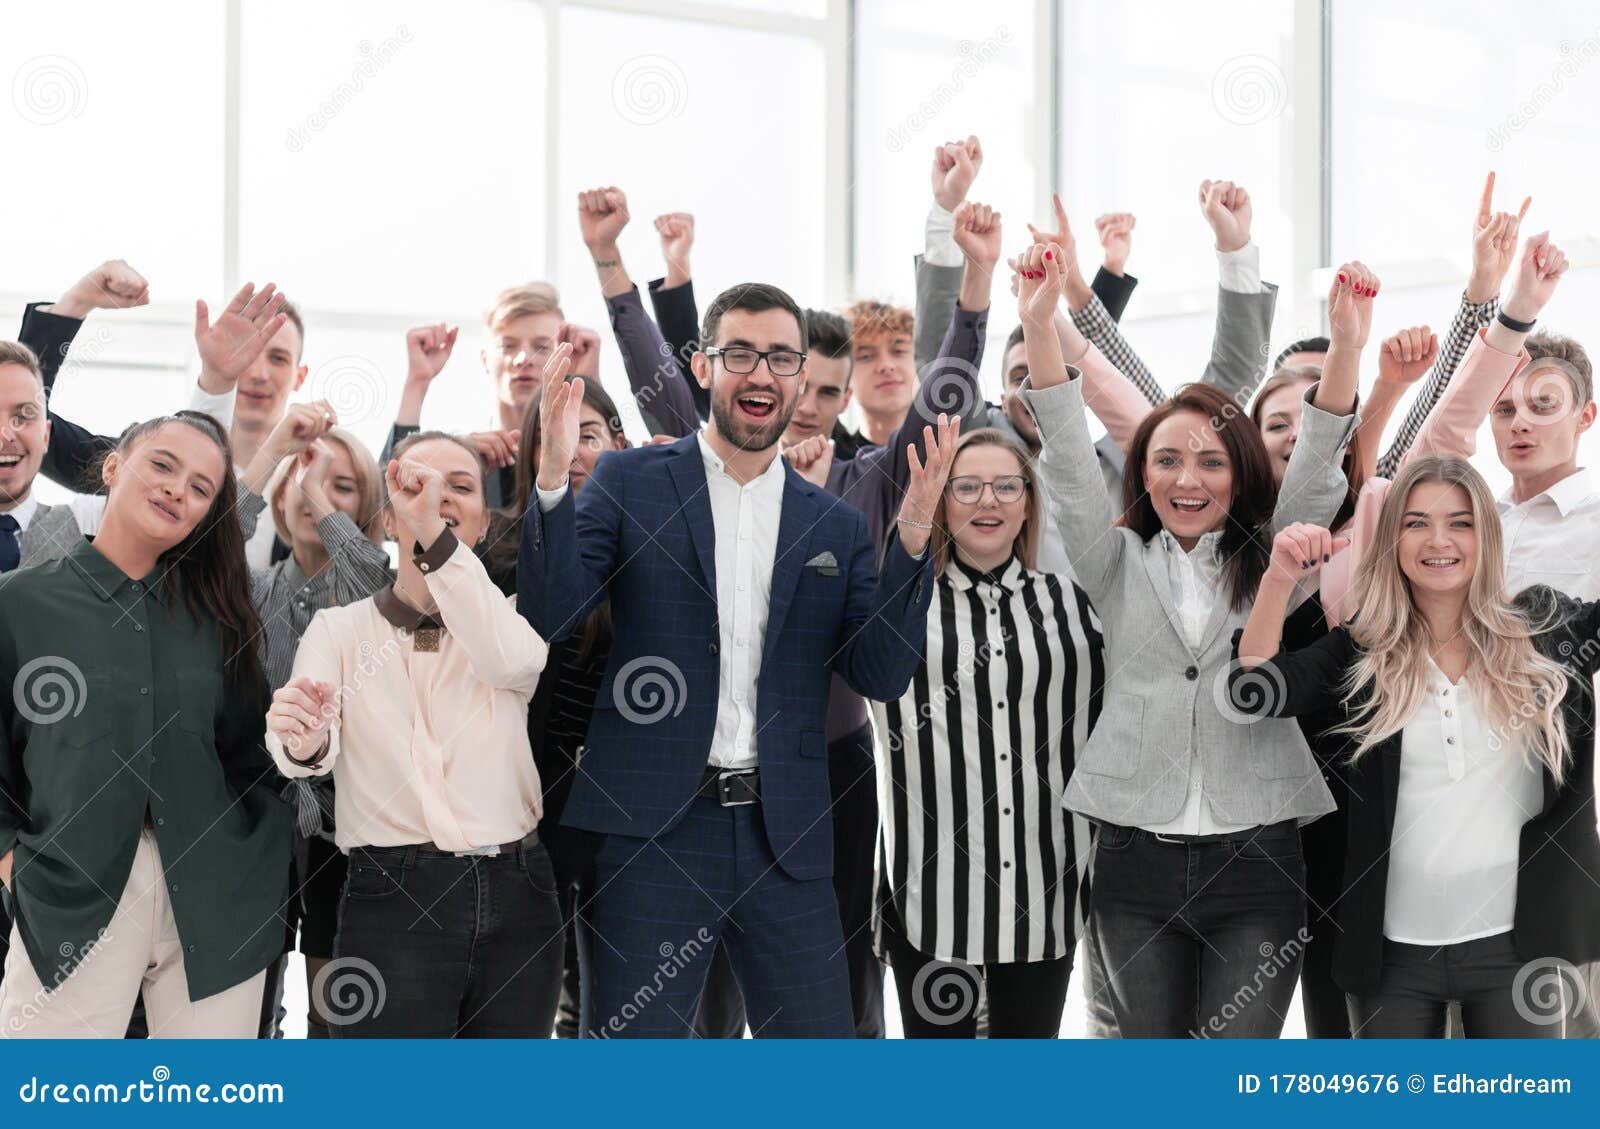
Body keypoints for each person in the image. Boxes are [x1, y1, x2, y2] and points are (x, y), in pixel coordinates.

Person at [583, 186, 994, 1038]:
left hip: (813, 785)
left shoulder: (858, 493)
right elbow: (659, 368)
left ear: (826, 391)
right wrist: (629, 272)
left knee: (828, 1015)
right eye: (750, 362)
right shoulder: (670, 473)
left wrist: (977, 282)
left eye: (807, 378)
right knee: (672, 1027)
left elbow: (940, 408)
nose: (787, 393)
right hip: (668, 797)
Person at [1017, 239, 1361, 1037]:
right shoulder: (1114, 558)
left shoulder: (1275, 555)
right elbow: (1068, 460)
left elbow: (1315, 466)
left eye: (1209, 461)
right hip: (1134, 860)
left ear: (1239, 473)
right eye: (1166, 460)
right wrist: (1040, 325)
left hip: (1260, 859)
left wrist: (1346, 347)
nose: (1186, 479)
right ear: (1143, 473)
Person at [1230, 456, 1600, 1036]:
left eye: (1460, 522)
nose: (1438, 541)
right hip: (1391, 958)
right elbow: (1255, 690)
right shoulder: (1362, 649)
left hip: (1518, 952)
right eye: (1416, 522)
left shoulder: (1544, 627)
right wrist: (1278, 576)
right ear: (1393, 539)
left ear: (1488, 534)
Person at [0, 411, 292, 1037]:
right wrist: (11, 862)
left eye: (198, 487)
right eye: (162, 465)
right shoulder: (18, 604)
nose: (175, 490)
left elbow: (250, 759)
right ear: (113, 466)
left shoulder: (219, 617)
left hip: (219, 890)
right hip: (68, 886)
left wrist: (261, 857)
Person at [266, 431, 561, 1037]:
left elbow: (515, 664)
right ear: (387, 514)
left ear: (481, 520)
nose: (439, 497)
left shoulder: (510, 617)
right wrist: (304, 739)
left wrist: (435, 535)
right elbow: (304, 750)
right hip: (390, 896)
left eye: (461, 487)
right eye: (418, 483)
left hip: (520, 892)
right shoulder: (338, 629)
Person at [871, 428, 1102, 1037]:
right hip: (933, 892)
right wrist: (911, 531)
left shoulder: (1074, 605)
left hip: (1045, 886)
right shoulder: (899, 603)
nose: (987, 502)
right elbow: (869, 661)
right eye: (966, 487)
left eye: (1006, 486)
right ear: (941, 500)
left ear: (1029, 502)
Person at [234, 405, 391, 1038]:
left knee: (337, 1015)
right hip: (259, 828)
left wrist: (312, 487)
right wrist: (278, 459)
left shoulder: (381, 588)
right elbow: (209, 544)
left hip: (347, 836)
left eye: (340, 483)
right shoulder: (250, 587)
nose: (313, 488)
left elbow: (371, 571)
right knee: (250, 1010)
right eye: (302, 477)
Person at [484, 378, 630, 1038]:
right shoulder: (502, 553)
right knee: (521, 995)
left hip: (625, 807)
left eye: (589, 433)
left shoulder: (650, 543)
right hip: (524, 803)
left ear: (620, 446)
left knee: (609, 1003)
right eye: (554, 435)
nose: (571, 448)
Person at [30, 275, 304, 567]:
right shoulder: (148, 454)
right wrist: (74, 304)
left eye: (278, 358)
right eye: (247, 350)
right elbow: (26, 425)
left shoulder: (316, 489)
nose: (259, 372)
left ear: (300, 377)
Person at [386, 292, 601, 509]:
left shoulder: (580, 457)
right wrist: (417, 384)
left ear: (566, 359)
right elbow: (386, 515)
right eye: (508, 346)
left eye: (542, 347)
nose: (523, 359)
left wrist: (589, 385)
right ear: (485, 359)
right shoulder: (469, 458)